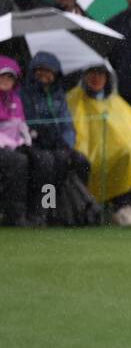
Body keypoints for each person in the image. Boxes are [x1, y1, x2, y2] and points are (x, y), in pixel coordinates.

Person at [65, 60, 131, 226]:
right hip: (96, 152)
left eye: (101, 74)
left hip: (118, 148)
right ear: (84, 77)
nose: (96, 78)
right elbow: (81, 135)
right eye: (92, 74)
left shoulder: (114, 101)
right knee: (125, 154)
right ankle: (122, 204)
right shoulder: (75, 99)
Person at [18, 52, 91, 226]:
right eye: (41, 71)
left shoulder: (58, 95)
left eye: (49, 72)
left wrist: (67, 143)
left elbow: (66, 124)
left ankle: (75, 208)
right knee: (47, 163)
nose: (45, 75)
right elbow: (25, 122)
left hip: (56, 144)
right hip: (32, 143)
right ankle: (43, 210)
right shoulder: (25, 94)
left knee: (80, 161)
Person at [0, 57, 32, 225]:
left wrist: (27, 142)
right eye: (2, 76)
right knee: (18, 162)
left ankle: (44, 209)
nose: (6, 81)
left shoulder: (16, 100)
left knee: (44, 160)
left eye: (9, 77)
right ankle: (14, 214)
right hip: (4, 148)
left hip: (15, 145)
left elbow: (22, 126)